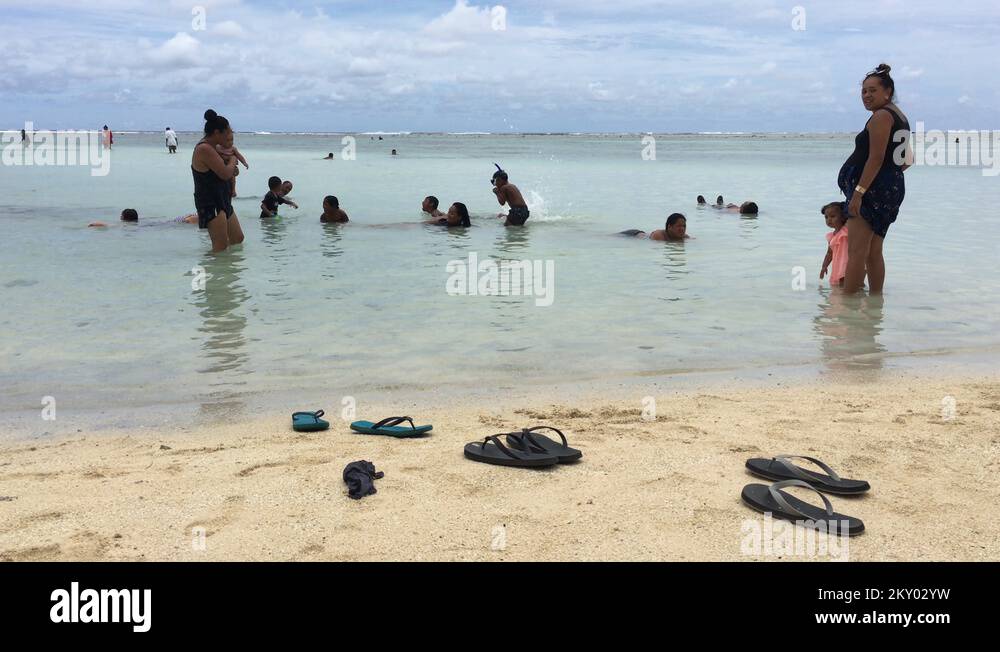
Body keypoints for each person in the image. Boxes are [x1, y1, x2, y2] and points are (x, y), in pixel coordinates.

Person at [838, 63, 912, 294]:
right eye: (864, 91)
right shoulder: (899, 116)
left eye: (873, 90)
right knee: (873, 251)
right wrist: (889, 179)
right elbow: (907, 159)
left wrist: (859, 192)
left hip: (871, 192)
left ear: (887, 92)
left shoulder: (882, 116)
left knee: (856, 252)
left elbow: (876, 158)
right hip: (888, 188)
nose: (867, 95)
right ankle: (874, 304)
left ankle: (849, 309)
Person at [191, 109, 244, 252]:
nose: (229, 136)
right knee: (220, 247)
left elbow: (229, 171)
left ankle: (230, 271)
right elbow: (225, 173)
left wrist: (233, 167)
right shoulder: (204, 149)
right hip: (210, 201)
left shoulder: (216, 148)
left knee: (237, 238)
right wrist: (234, 157)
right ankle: (210, 272)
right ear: (216, 133)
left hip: (222, 198)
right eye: (226, 132)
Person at [820, 202, 849, 288]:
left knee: (845, 285)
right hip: (838, 266)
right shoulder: (831, 236)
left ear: (843, 217)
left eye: (833, 216)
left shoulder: (846, 230)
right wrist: (824, 266)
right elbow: (829, 253)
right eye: (826, 217)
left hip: (847, 264)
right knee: (839, 287)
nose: (829, 220)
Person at [215, 131, 248, 197]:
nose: (230, 142)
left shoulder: (233, 149)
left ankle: (233, 190)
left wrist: (244, 163)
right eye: (227, 140)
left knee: (232, 178)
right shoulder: (218, 147)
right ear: (221, 140)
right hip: (222, 167)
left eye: (232, 140)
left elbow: (239, 156)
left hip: (231, 168)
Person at [624, 213, 689, 241]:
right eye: (679, 226)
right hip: (632, 234)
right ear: (669, 226)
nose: (682, 229)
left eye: (684, 226)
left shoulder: (684, 236)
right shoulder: (658, 235)